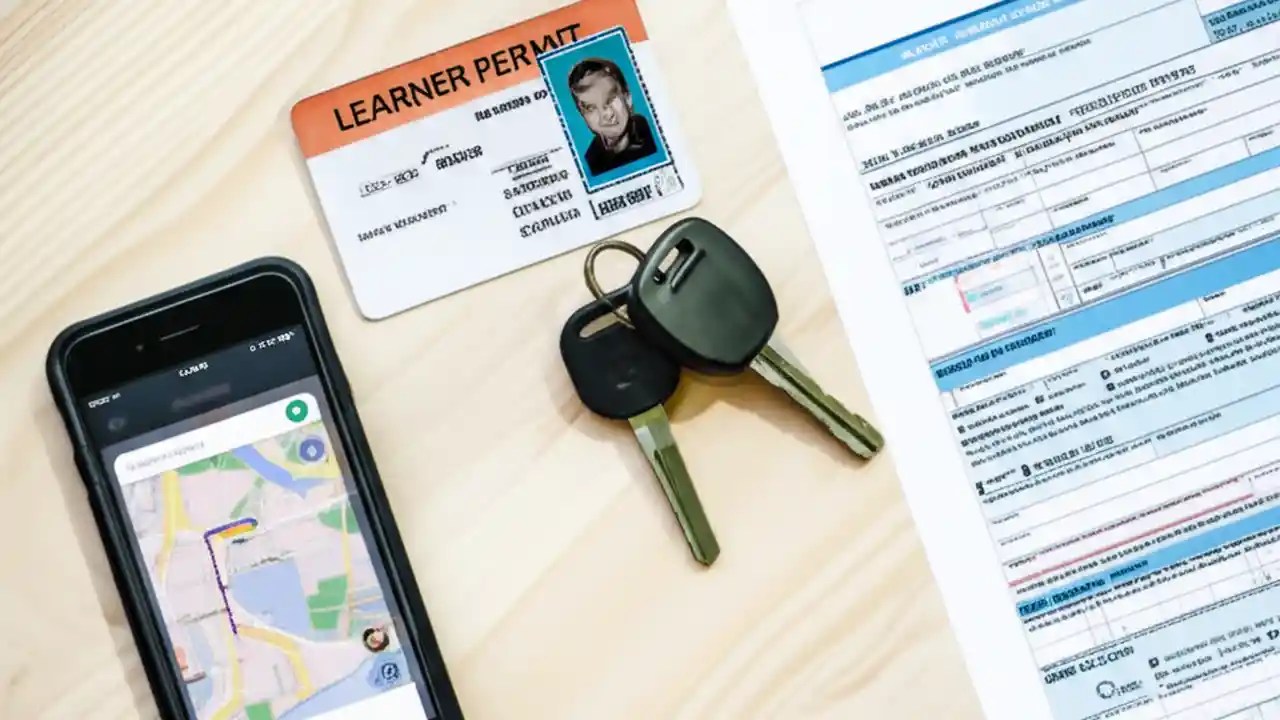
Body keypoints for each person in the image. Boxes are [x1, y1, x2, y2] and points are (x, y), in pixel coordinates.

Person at [567, 57, 657, 176]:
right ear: (582, 115)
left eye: (610, 100)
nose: (607, 115)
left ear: (627, 97)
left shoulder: (654, 135)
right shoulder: (591, 161)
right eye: (590, 108)